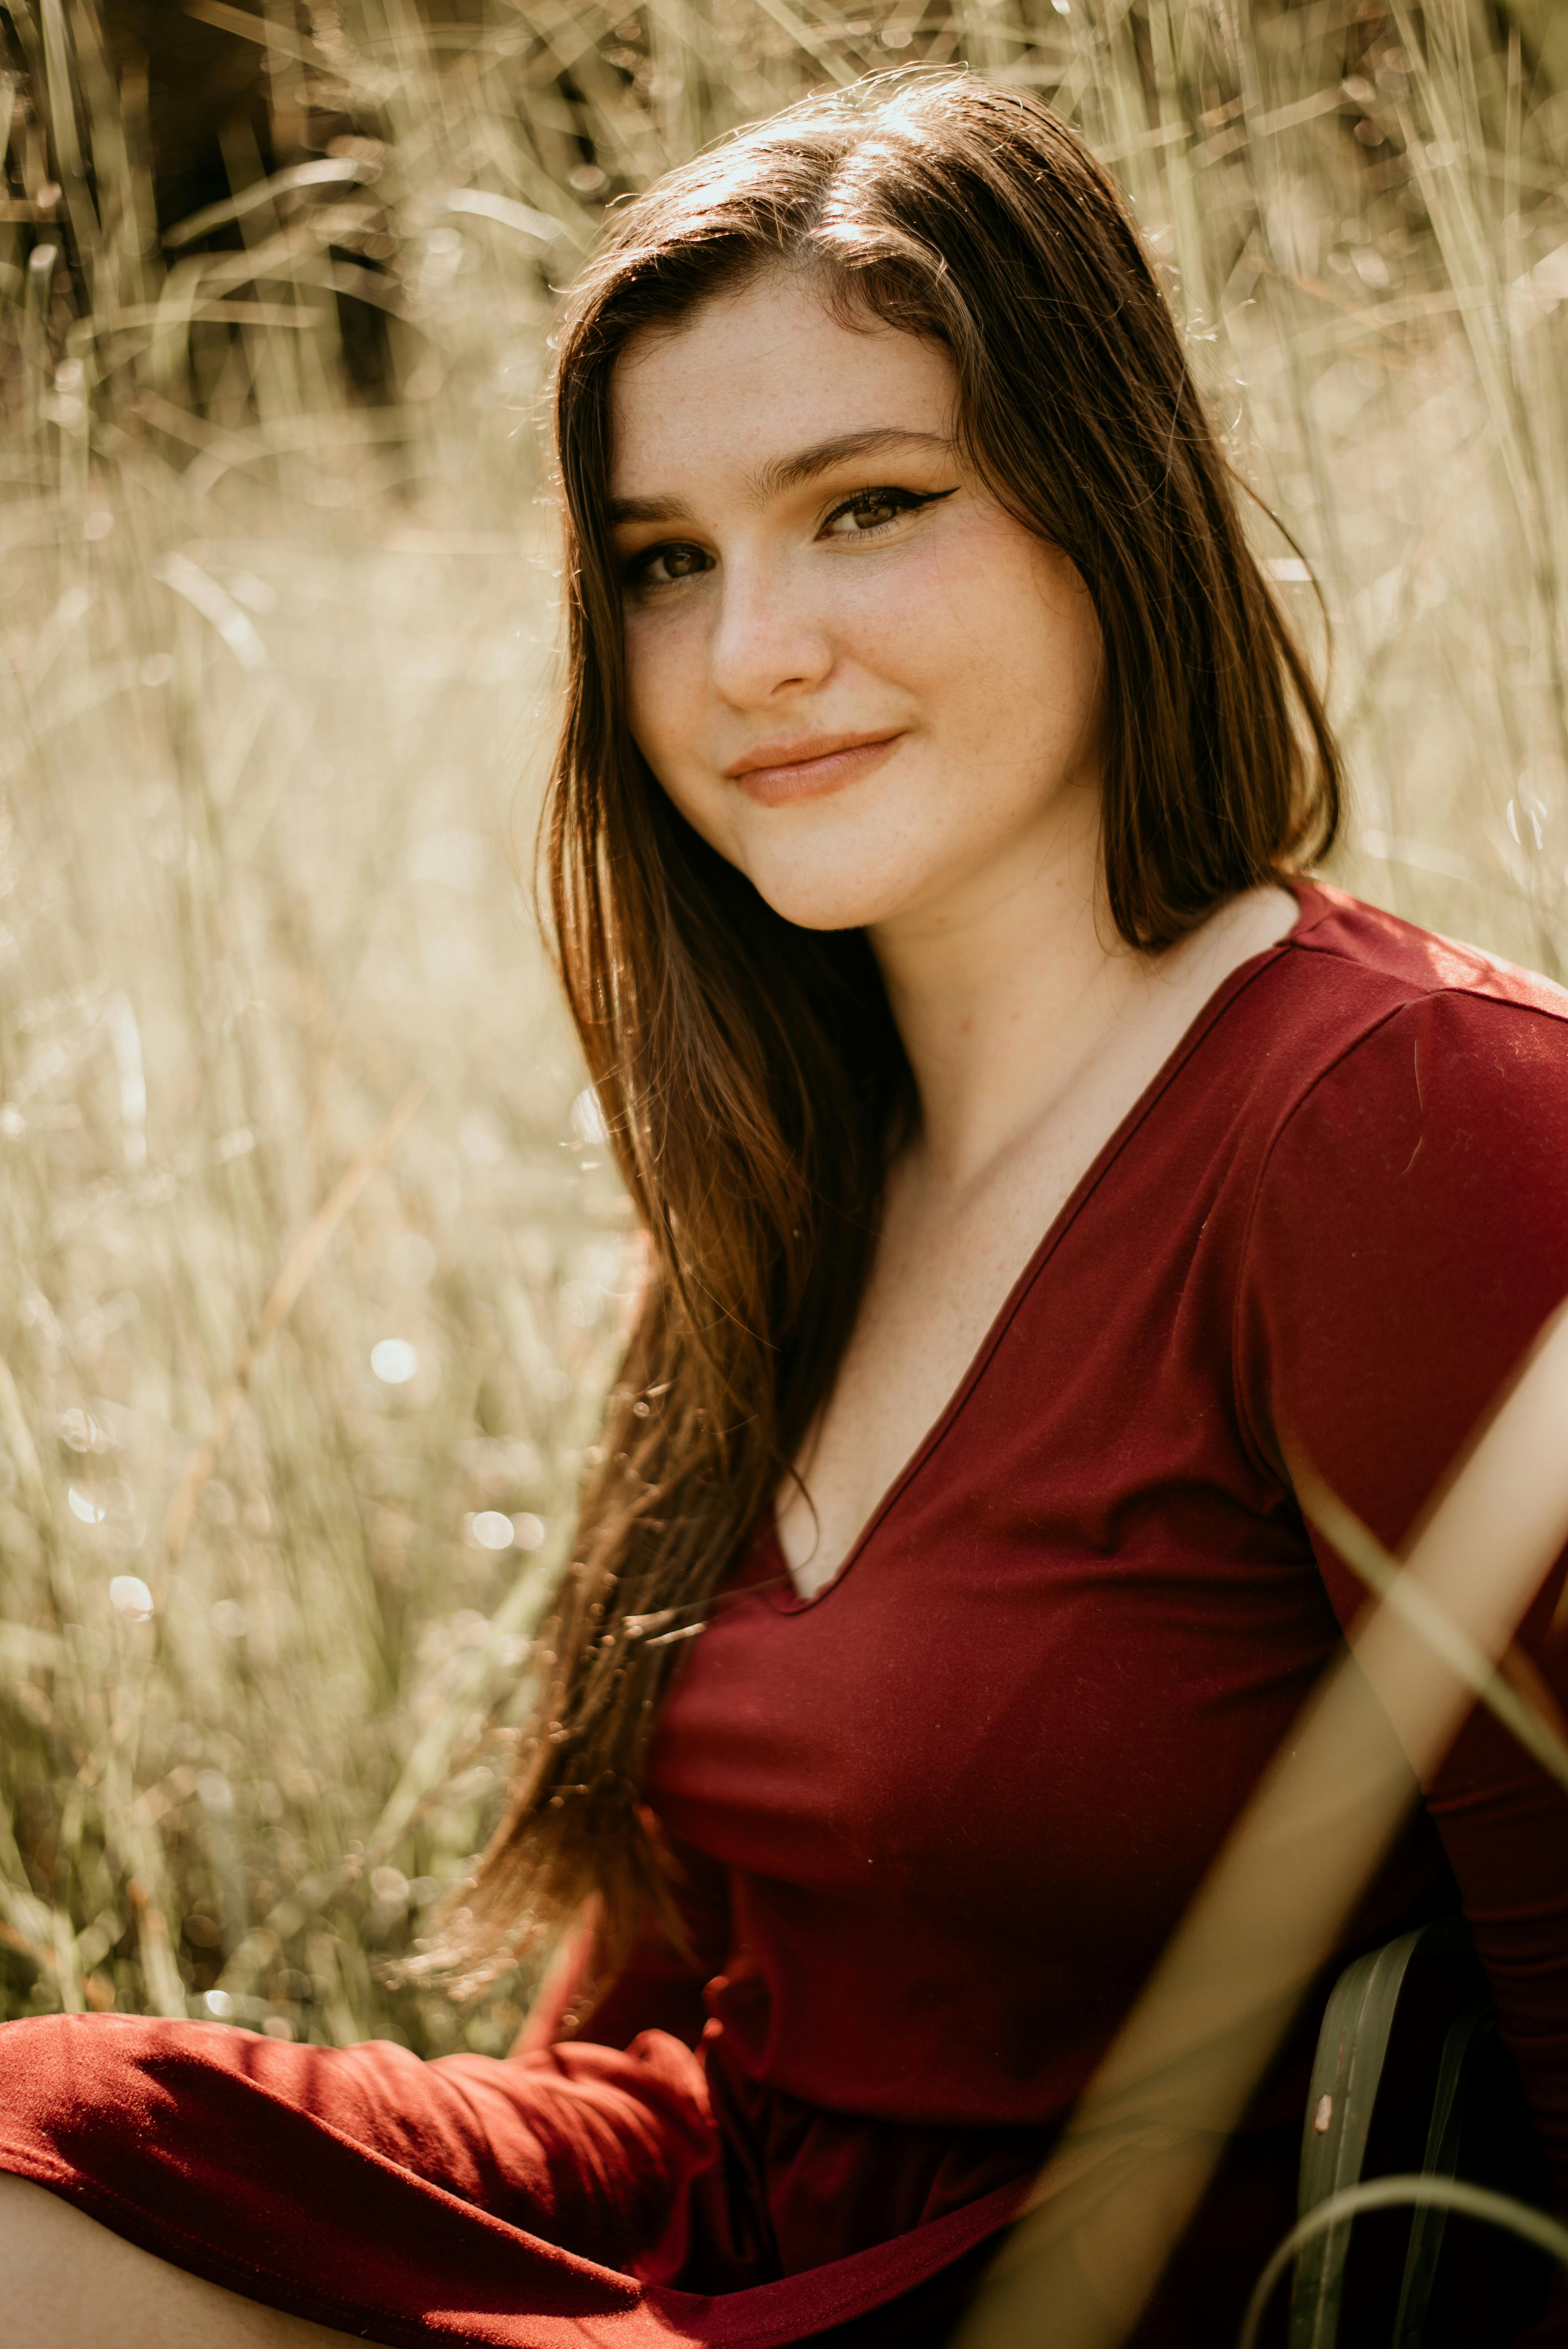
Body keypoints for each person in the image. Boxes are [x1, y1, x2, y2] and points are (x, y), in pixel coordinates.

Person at [1, 67, 1565, 2349]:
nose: (748, 658)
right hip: (727, 2224)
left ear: (1105, 504)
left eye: (868, 507)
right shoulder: (792, 1159)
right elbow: (695, 2005)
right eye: (665, 562)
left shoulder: (1411, 1128)